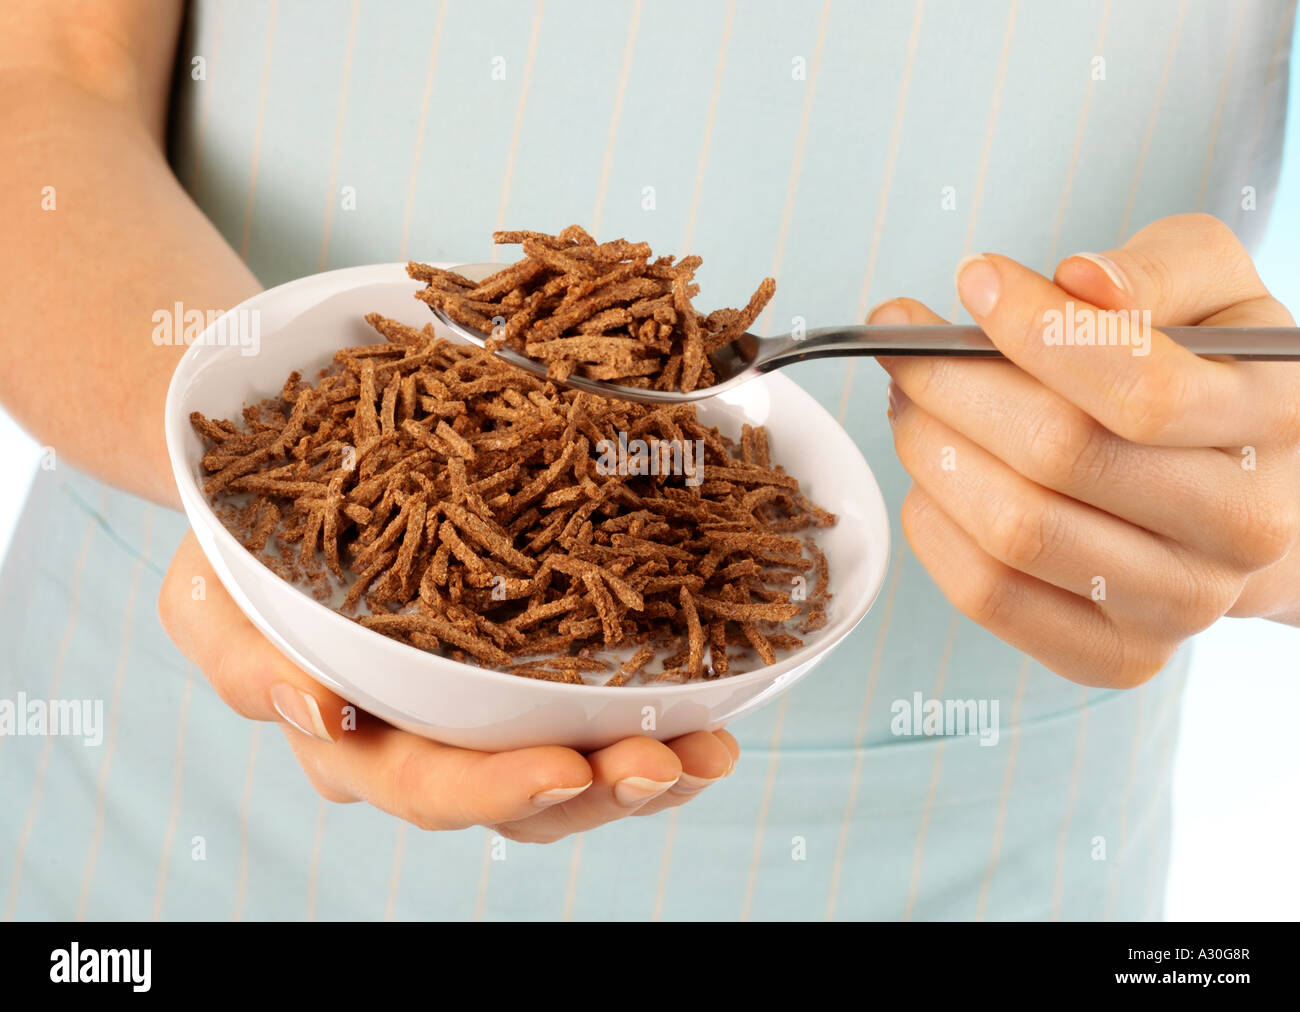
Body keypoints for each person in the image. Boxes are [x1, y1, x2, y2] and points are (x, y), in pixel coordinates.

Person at [0, 0, 1295, 920]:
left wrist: (1271, 517)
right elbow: (41, 73)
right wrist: (249, 476)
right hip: (171, 794)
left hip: (958, 858)